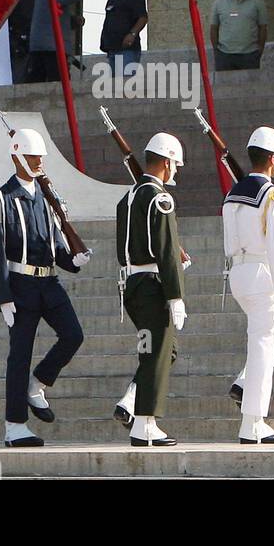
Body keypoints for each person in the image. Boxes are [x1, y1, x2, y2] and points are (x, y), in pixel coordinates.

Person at [0, 128, 91, 447]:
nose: (38, 162)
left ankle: (39, 383)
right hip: (20, 286)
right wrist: (2, 298)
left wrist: (74, 260)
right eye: (32, 156)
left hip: (49, 282)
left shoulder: (47, 195)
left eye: (40, 157)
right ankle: (15, 426)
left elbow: (57, 243)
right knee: (20, 355)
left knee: (74, 335)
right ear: (16, 156)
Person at [115, 132, 187, 446]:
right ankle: (145, 424)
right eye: (176, 164)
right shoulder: (160, 198)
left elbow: (130, 247)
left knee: (160, 351)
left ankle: (134, 404)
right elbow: (167, 251)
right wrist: (176, 296)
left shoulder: (127, 197)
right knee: (156, 352)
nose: (176, 171)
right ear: (166, 161)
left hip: (131, 284)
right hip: (153, 286)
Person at [220, 127, 274, 444]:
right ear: (273, 158)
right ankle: (253, 422)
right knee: (263, 345)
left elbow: (229, 244)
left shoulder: (232, 194)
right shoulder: (272, 195)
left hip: (238, 273)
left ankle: (247, 383)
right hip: (262, 275)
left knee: (273, 337)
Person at [27, 0, 89, 82]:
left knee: (36, 80)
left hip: (39, 44)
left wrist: (72, 20)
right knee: (59, 80)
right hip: (53, 45)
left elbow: (52, 12)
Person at [209, 0, 268, 71]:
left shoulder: (257, 2)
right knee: (224, 86)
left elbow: (262, 27)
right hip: (224, 55)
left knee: (250, 86)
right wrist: (216, 50)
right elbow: (214, 28)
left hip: (250, 54)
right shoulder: (218, 3)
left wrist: (260, 49)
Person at [100, 0, 148, 76]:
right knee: (116, 87)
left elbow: (143, 18)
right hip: (112, 49)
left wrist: (132, 34)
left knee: (126, 86)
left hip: (127, 50)